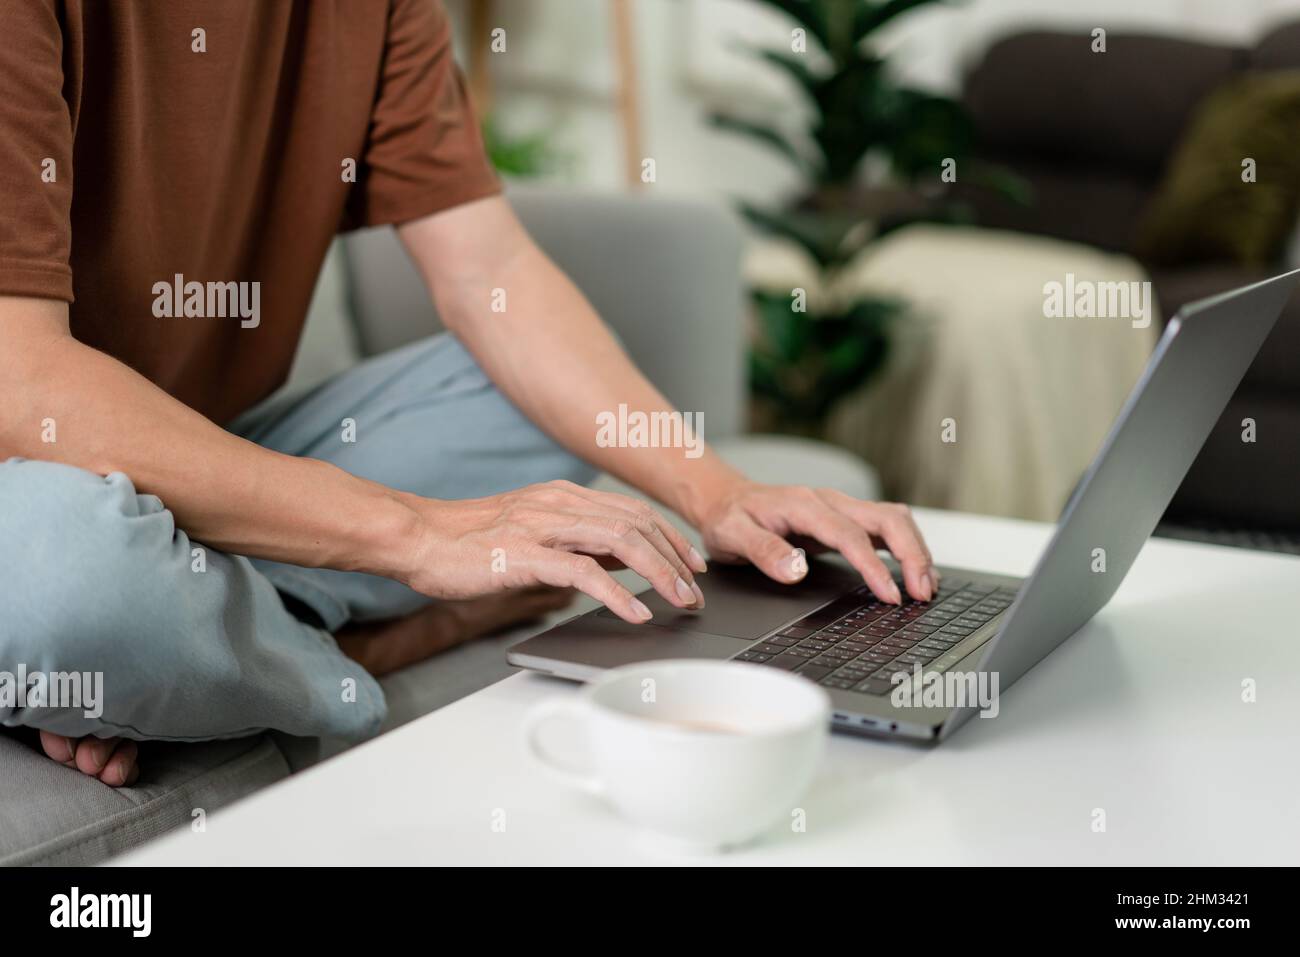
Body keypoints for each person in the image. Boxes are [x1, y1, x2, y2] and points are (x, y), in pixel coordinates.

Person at [0, 0, 934, 788]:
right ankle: (322, 657)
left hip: (198, 454)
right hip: (29, 487)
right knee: (69, 582)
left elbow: (490, 270)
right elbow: (24, 379)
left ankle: (179, 648)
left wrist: (717, 492)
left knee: (521, 401)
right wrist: (423, 540)